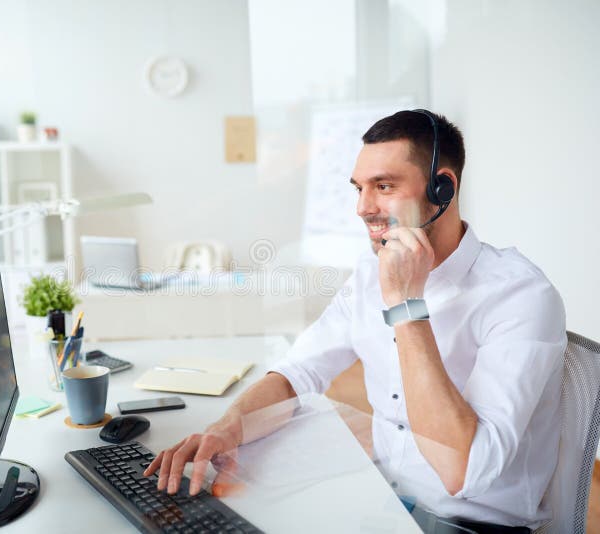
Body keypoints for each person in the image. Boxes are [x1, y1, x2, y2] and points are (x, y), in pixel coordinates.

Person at [144, 110, 566, 532]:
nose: (363, 208)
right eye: (359, 188)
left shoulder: (519, 296)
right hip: (385, 500)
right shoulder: (370, 272)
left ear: (443, 188)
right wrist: (225, 430)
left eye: (384, 186)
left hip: (471, 525)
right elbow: (297, 373)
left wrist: (406, 305)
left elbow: (464, 472)